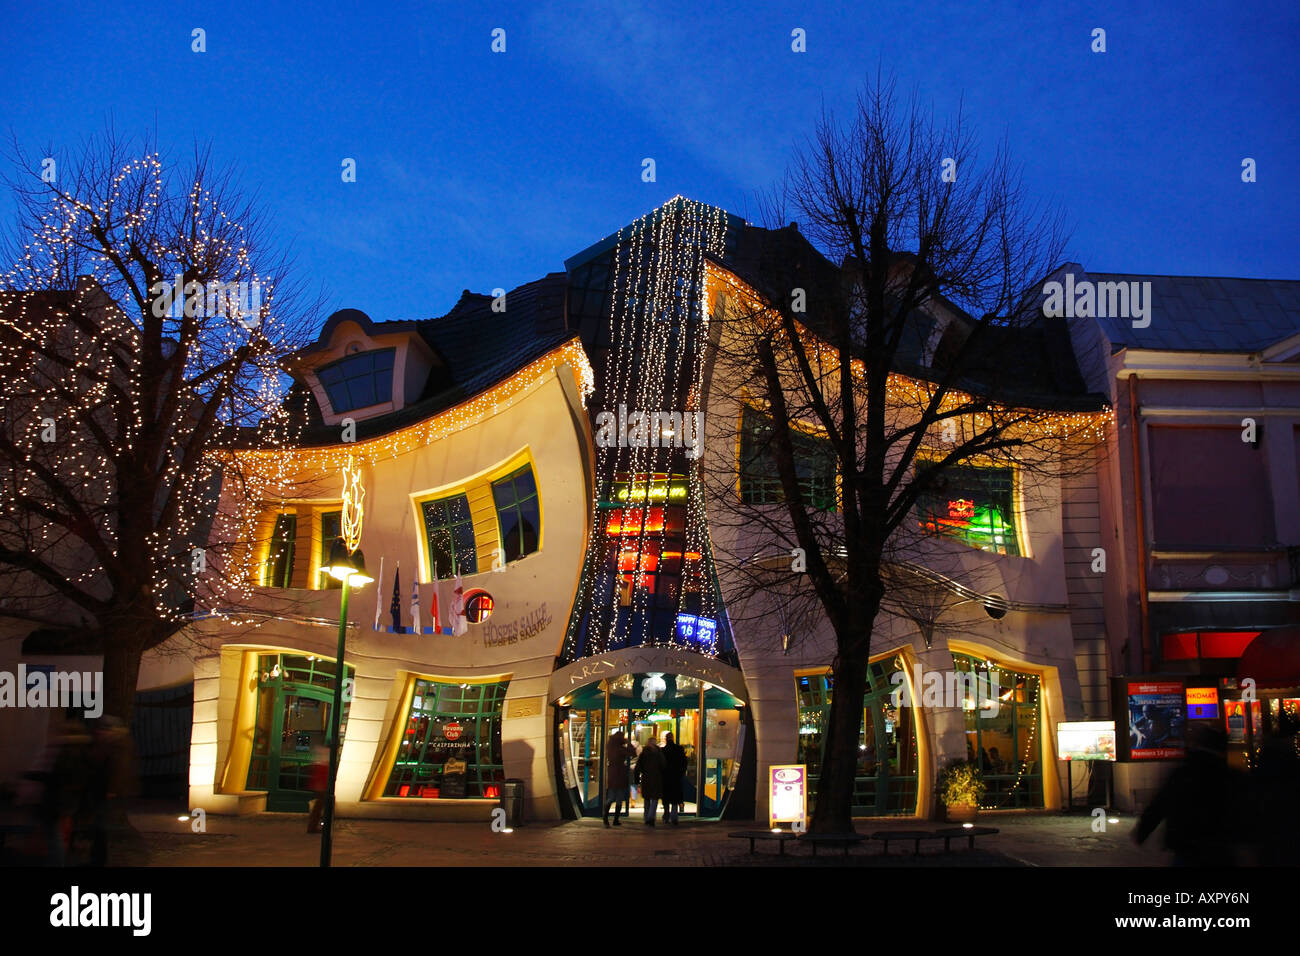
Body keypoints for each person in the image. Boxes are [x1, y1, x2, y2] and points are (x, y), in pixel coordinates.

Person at [1133, 723, 1243, 866]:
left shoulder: (1184, 772)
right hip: (1220, 847)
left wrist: (1142, 831)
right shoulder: (1231, 776)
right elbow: (1245, 810)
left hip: (1187, 845)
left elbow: (1160, 803)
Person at [603, 731, 636, 827]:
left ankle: (606, 818)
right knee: (619, 798)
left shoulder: (610, 748)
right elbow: (633, 753)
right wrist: (628, 743)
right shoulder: (620, 749)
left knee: (611, 796)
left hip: (612, 773)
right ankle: (615, 819)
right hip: (620, 773)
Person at [635, 734, 666, 826]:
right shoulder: (659, 753)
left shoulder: (644, 753)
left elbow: (638, 767)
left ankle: (647, 817)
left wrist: (637, 779)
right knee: (655, 799)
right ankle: (651, 817)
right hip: (656, 778)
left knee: (647, 799)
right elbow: (663, 765)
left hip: (646, 778)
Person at [306, 743, 329, 834]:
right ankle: (312, 827)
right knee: (318, 808)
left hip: (319, 787)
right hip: (321, 787)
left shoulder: (320, 757)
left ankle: (313, 826)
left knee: (318, 808)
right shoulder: (325, 758)